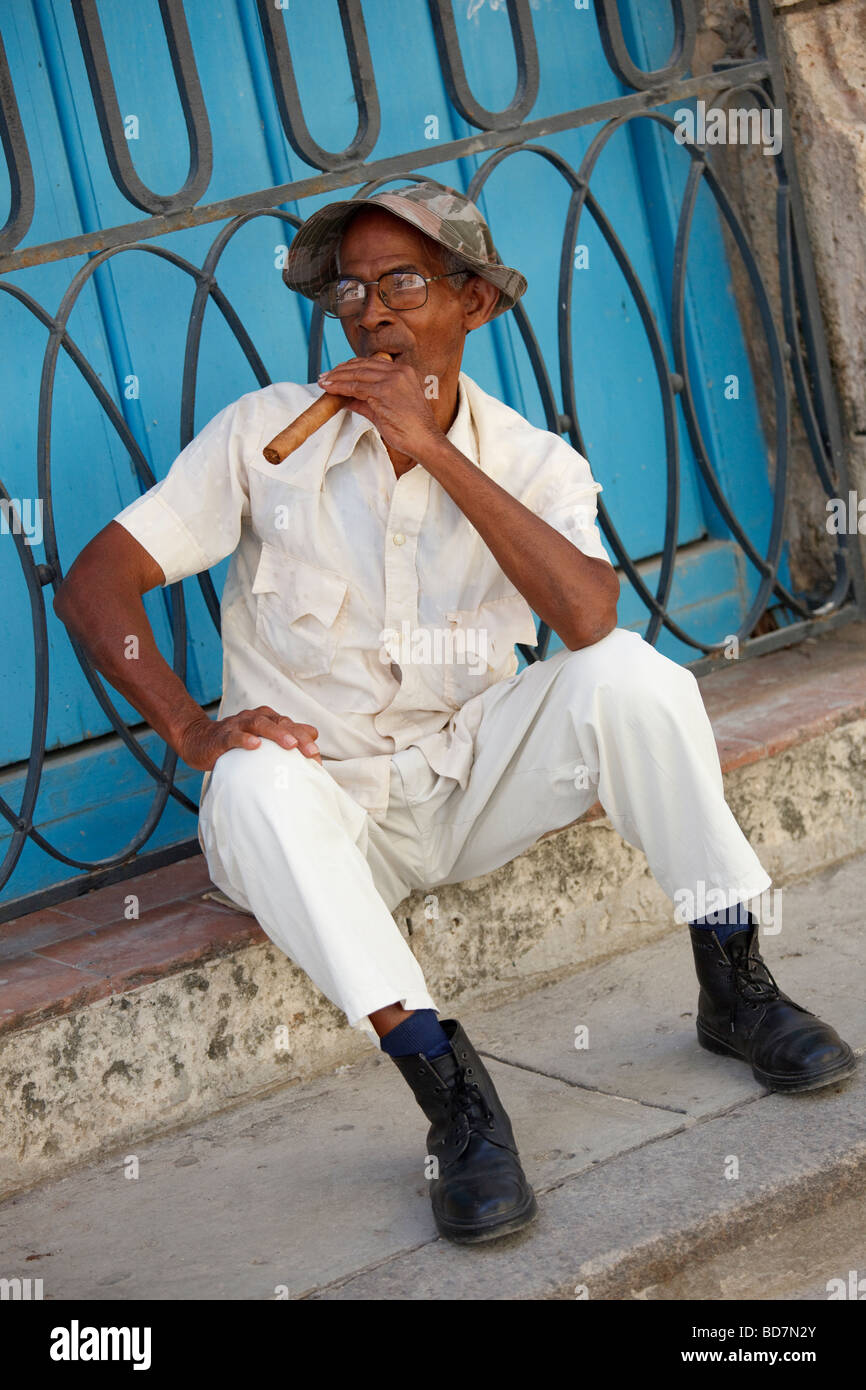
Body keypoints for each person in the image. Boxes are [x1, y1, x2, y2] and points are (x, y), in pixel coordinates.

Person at [53, 179, 856, 1247]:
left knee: (633, 675)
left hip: (465, 782)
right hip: (320, 805)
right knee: (247, 780)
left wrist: (430, 446)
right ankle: (453, 1100)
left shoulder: (532, 459)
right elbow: (95, 586)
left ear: (472, 303)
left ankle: (734, 982)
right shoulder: (259, 437)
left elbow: (584, 615)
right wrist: (194, 732)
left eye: (402, 284)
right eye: (350, 289)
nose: (371, 313)